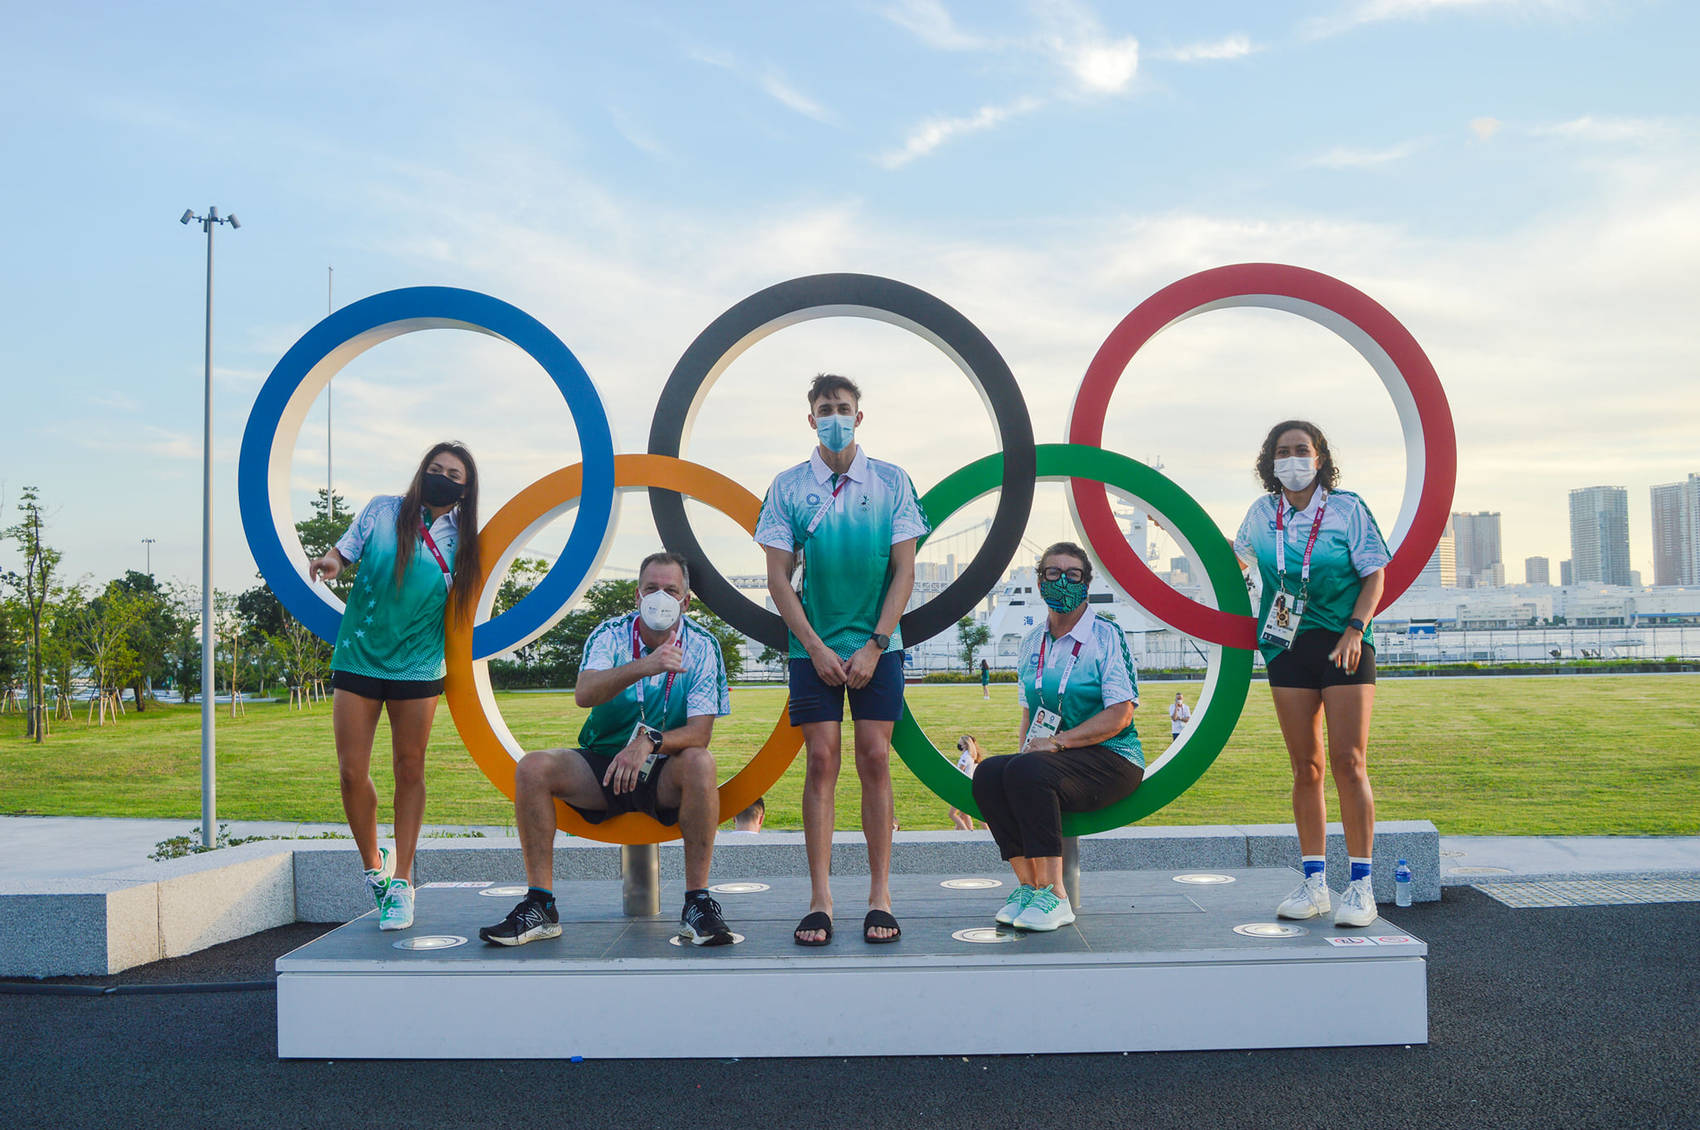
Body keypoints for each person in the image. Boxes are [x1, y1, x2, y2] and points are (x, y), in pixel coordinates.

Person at [479, 552, 736, 947]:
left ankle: (697, 904)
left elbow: (699, 733)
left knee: (700, 763)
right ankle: (540, 905)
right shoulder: (610, 634)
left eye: (671, 590)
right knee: (532, 767)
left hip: (663, 768)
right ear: (636, 596)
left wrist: (647, 742)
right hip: (601, 764)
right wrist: (645, 665)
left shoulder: (702, 645)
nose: (660, 598)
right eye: (651, 589)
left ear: (686, 601)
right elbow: (584, 693)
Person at [755, 373, 929, 945]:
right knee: (822, 761)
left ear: (860, 415)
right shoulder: (786, 486)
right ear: (810, 419)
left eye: (844, 407)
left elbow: (905, 569)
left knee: (875, 757)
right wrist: (814, 646)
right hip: (813, 647)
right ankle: (821, 900)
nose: (835, 416)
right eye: (825, 408)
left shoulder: (891, 481)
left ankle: (880, 896)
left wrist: (876, 643)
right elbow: (777, 578)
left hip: (880, 645)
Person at [308, 441, 481, 932]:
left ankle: (402, 880)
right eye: (435, 468)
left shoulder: (465, 539)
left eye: (454, 474)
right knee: (349, 771)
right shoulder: (383, 511)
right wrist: (330, 564)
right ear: (421, 471)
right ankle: (373, 867)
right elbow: (343, 552)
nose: (442, 477)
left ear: (466, 489)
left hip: (419, 666)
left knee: (410, 769)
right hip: (360, 655)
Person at [1234, 420, 1390, 929]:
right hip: (1286, 645)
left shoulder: (1347, 508)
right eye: (1283, 451)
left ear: (1320, 458)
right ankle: (1315, 883)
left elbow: (1374, 574)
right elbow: (1232, 564)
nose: (1293, 458)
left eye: (1302, 450)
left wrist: (1355, 629)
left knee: (1349, 762)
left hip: (1343, 644)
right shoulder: (1261, 514)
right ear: (1269, 461)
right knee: (1307, 767)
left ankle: (1362, 887)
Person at [971, 543, 1144, 932]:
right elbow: (1031, 713)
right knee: (989, 774)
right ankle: (1029, 888)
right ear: (1039, 581)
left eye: (1073, 574)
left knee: (1029, 770)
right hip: (1052, 760)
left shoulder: (1105, 635)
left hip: (1111, 758)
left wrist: (1057, 743)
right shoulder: (1032, 642)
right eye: (1053, 573)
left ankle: (1055, 895)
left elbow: (1121, 714)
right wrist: (1022, 757)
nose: (1062, 581)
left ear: (1086, 583)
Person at [948, 735, 983, 830]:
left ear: (964, 745)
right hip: (967, 786)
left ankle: (966, 832)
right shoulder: (970, 755)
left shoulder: (966, 757)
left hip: (962, 787)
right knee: (964, 814)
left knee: (952, 814)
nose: (958, 744)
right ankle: (963, 834)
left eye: (960, 743)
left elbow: (959, 771)